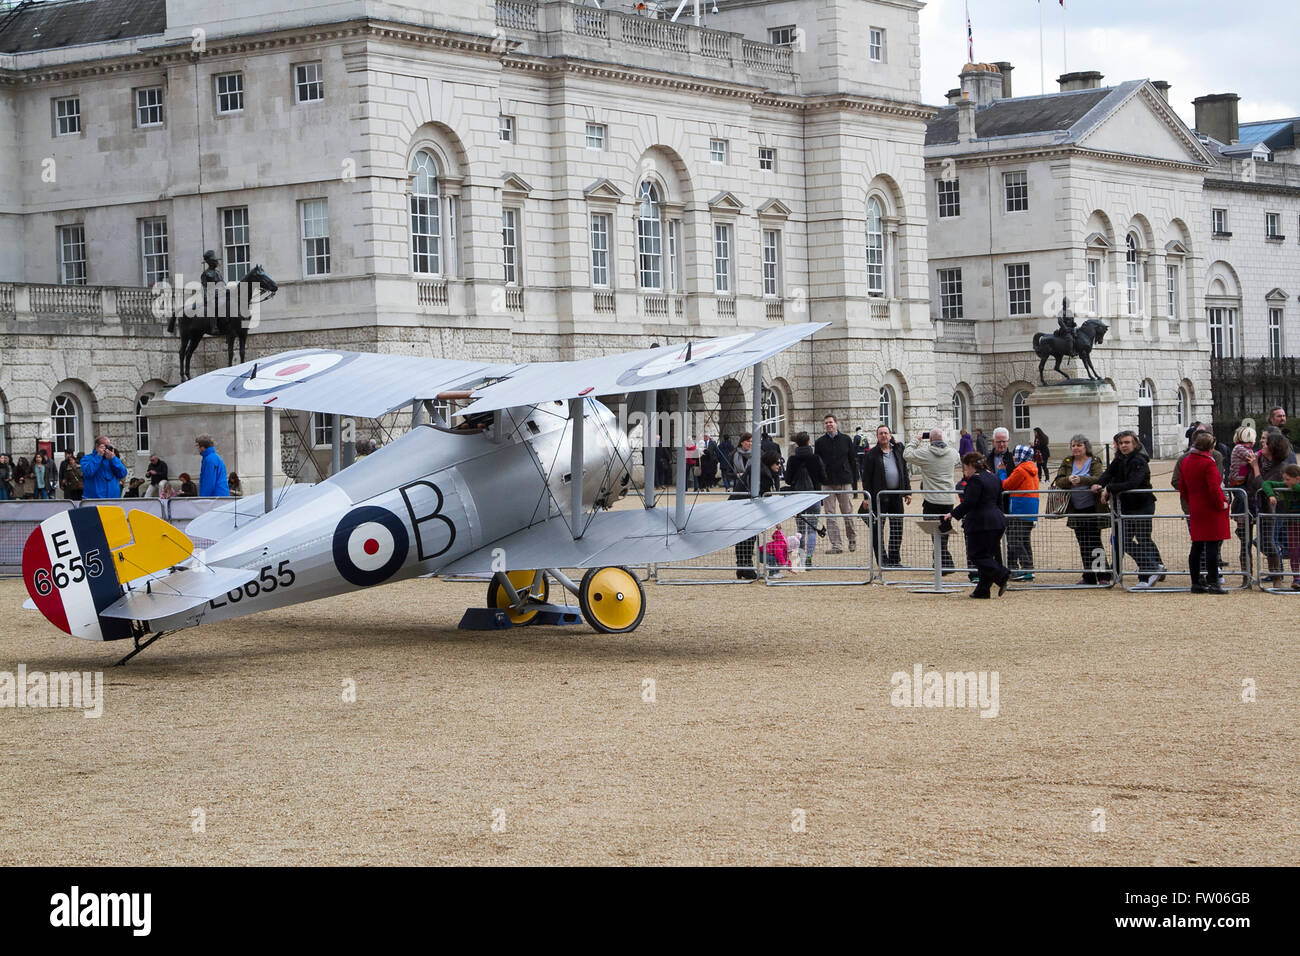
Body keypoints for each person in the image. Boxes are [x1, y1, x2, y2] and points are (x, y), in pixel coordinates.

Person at [1092, 430, 1166, 588]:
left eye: (1127, 442)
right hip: (1126, 505)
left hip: (1142, 505)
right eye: (1121, 443)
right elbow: (1108, 473)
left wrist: (1109, 488)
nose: (1123, 445)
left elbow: (1134, 483)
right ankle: (1152, 566)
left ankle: (1147, 574)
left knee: (1143, 538)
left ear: (1135, 444)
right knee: (1121, 540)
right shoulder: (1119, 459)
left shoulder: (1139, 460)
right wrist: (1099, 483)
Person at [944, 453, 1010, 599]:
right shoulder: (993, 477)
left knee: (976, 555)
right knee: (986, 555)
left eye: (965, 467)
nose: (964, 471)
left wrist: (952, 514)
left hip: (981, 523)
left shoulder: (976, 479)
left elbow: (969, 502)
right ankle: (983, 589)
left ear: (970, 465)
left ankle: (1002, 574)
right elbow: (1000, 501)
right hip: (997, 520)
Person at [904, 426, 961, 573]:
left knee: (934, 532)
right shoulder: (952, 452)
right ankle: (942, 562)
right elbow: (957, 459)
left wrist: (915, 441)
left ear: (930, 440)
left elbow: (907, 454)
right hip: (948, 499)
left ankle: (943, 563)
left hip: (931, 499)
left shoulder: (925, 453)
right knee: (944, 531)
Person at [1179, 432, 1230, 594]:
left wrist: (1191, 502)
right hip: (1211, 508)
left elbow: (1182, 487)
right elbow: (1214, 488)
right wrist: (1221, 504)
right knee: (1212, 547)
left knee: (1197, 546)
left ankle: (1196, 582)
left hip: (1196, 506)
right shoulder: (1208, 463)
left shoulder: (1186, 461)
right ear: (1211, 446)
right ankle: (1213, 582)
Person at [1054, 434, 1109, 585]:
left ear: (1086, 447)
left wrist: (1082, 480)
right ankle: (1089, 575)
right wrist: (1068, 480)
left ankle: (1103, 574)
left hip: (1092, 508)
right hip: (1075, 509)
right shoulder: (1067, 462)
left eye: (1079, 445)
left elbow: (1099, 477)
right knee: (1083, 542)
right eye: (1073, 445)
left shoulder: (1094, 461)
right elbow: (1058, 480)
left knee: (1095, 542)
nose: (1075, 448)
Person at [861, 424, 911, 567]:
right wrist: (866, 497)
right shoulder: (871, 454)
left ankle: (895, 559)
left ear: (890, 435)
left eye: (885, 433)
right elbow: (866, 478)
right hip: (879, 497)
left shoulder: (898, 450)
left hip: (896, 495)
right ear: (877, 437)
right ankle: (883, 561)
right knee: (878, 530)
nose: (883, 435)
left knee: (896, 528)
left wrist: (907, 491)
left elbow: (904, 472)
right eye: (880, 433)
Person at [1251, 432, 1293, 584]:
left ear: (1273, 448)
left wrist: (1255, 467)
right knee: (1261, 541)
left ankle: (1277, 578)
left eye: (1266, 442)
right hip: (1259, 508)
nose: (1263, 443)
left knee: (1268, 541)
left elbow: (1261, 485)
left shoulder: (1281, 468)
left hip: (1272, 510)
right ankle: (1275, 573)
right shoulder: (1264, 463)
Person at [815, 414, 859, 554]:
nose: (829, 425)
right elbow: (818, 463)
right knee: (830, 514)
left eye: (831, 422)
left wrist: (855, 484)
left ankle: (852, 539)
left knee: (847, 512)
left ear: (836, 423)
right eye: (826, 423)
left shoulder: (846, 439)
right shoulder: (820, 442)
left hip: (844, 480)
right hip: (827, 482)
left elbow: (853, 461)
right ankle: (836, 544)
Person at [783, 431, 827, 567]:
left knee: (800, 530)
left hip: (798, 498)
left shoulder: (792, 459)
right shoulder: (815, 458)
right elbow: (823, 477)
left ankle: (801, 558)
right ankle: (809, 556)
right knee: (812, 530)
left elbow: (788, 480)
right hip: (813, 496)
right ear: (808, 442)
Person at [1002, 445, 1039, 581]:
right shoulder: (1032, 468)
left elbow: (1006, 485)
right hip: (1030, 509)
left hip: (1019, 508)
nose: (1013, 457)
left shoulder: (1021, 470)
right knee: (1024, 540)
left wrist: (1001, 472)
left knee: (1014, 539)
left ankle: (1026, 568)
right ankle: (1029, 569)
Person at [1262, 463, 1300, 591]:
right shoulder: (1286, 486)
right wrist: (1271, 494)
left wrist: (1295, 487)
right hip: (1292, 523)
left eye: (1287, 479)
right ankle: (1296, 578)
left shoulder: (1293, 486)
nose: (1285, 482)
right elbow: (1266, 484)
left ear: (1298, 478)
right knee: (1294, 550)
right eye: (1284, 479)